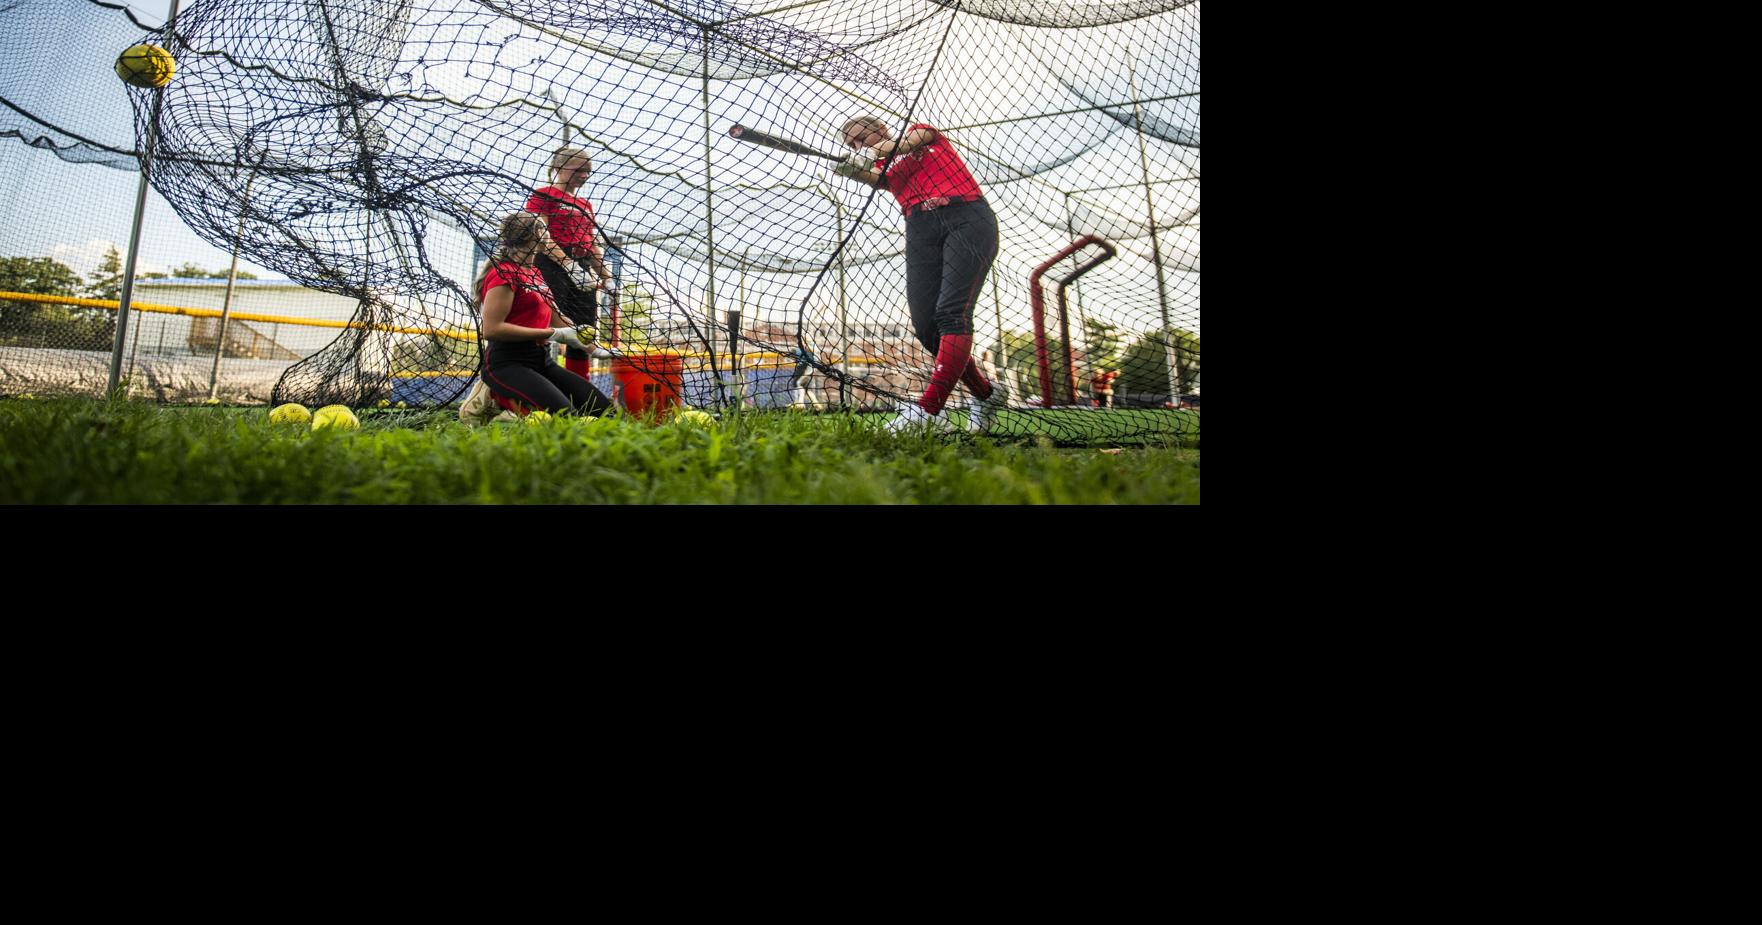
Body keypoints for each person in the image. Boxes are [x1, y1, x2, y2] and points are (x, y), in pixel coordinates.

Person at [833, 115, 1009, 432]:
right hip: (920, 229)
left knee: (950, 313)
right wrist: (849, 166)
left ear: (879, 130)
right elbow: (872, 176)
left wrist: (868, 154)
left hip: (965, 217)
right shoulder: (882, 168)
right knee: (926, 327)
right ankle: (986, 394)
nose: (857, 146)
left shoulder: (921, 134)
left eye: (860, 138)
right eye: (850, 144)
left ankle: (929, 411)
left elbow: (904, 143)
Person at [473, 211, 613, 418]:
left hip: (540, 359)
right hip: (506, 362)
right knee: (567, 417)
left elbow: (555, 315)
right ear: (536, 234)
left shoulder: (534, 272)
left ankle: (511, 402)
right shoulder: (504, 273)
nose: (549, 234)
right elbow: (492, 329)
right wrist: (553, 334)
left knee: (604, 411)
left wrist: (594, 348)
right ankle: (498, 400)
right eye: (543, 229)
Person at [525, 147, 613, 381]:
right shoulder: (543, 194)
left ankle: (579, 392)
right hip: (550, 264)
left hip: (582, 265)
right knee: (544, 321)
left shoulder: (585, 204)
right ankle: (534, 385)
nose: (584, 175)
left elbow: (590, 242)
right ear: (560, 168)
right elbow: (540, 235)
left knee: (584, 329)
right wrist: (567, 264)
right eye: (579, 169)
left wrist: (605, 276)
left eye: (588, 171)